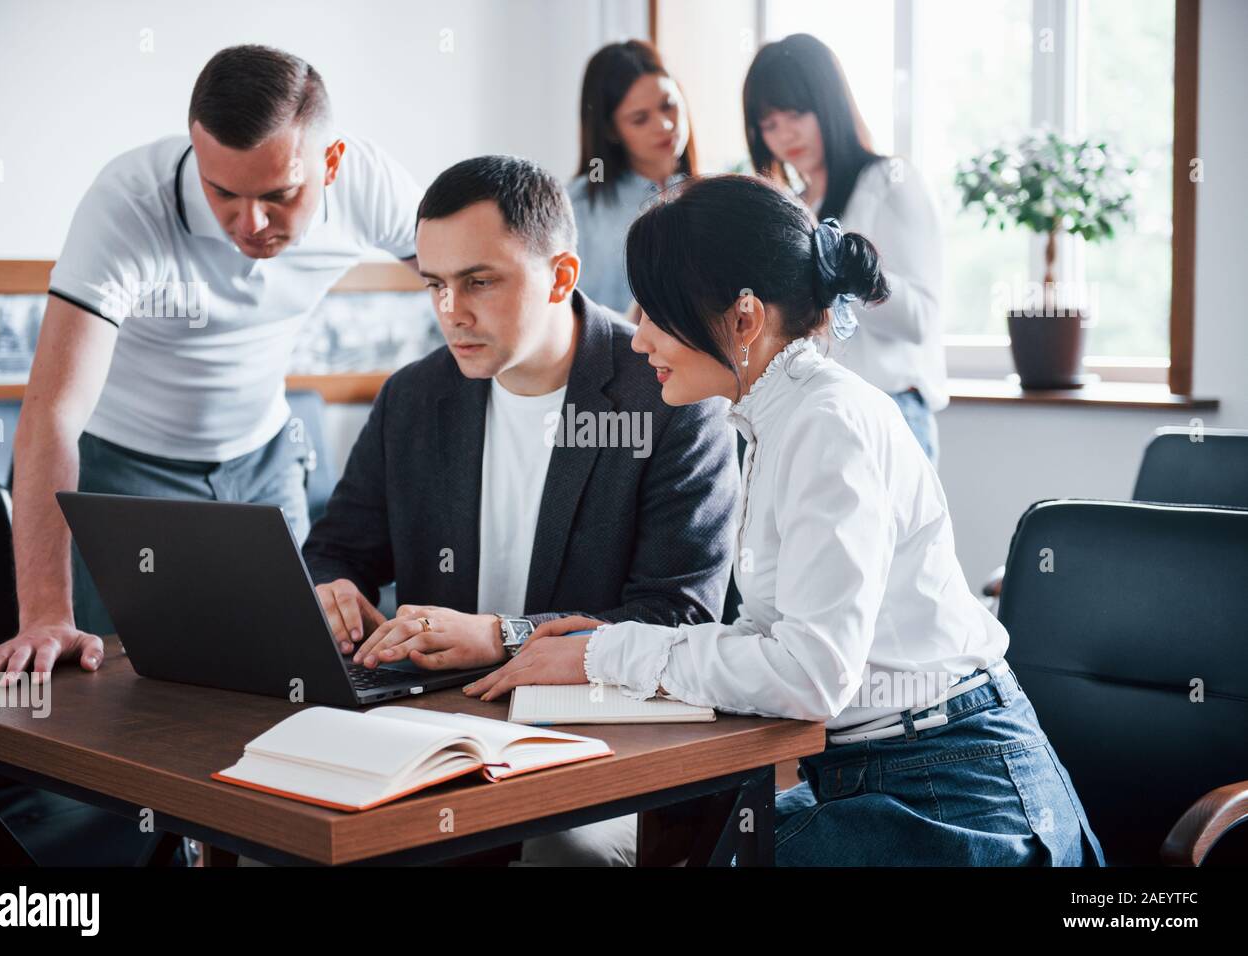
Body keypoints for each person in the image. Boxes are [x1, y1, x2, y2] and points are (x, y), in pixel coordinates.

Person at [465, 174, 1105, 866]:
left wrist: (605, 655)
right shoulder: (777, 415)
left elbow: (811, 674)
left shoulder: (827, 424)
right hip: (885, 770)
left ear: (744, 320)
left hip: (952, 791)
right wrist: (613, 645)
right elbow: (775, 641)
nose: (637, 335)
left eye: (654, 312)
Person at [301, 155, 739, 866]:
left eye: (480, 281)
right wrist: (335, 591)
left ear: (562, 276)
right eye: (435, 285)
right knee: (284, 826)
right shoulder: (413, 398)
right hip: (439, 728)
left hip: (609, 740)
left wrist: (506, 637)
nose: (452, 312)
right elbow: (339, 551)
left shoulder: (669, 395)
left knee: (563, 851)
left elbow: (680, 617)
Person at [0, 44, 424, 684]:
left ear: (331, 163)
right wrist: (45, 613)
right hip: (124, 472)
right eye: (223, 193)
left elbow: (468, 270)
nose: (250, 222)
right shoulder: (128, 203)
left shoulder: (371, 184)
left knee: (288, 678)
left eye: (279, 194)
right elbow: (52, 415)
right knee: (127, 694)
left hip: (265, 461)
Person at [744, 33, 946, 464]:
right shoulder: (795, 206)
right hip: (814, 415)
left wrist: (846, 264)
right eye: (769, 123)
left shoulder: (888, 181)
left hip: (889, 412)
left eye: (796, 112)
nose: (785, 134)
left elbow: (921, 319)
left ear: (829, 102)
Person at [567, 40, 696, 316]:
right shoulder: (577, 209)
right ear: (611, 131)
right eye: (640, 119)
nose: (664, 125)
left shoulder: (717, 194)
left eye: (668, 105)